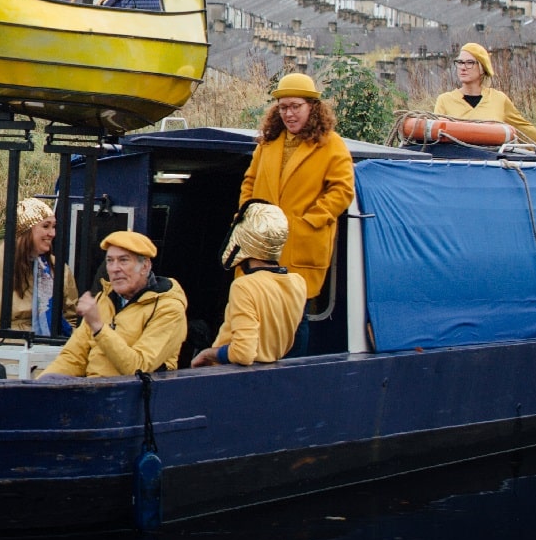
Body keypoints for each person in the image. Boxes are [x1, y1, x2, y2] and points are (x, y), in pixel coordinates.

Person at [238, 72, 354, 301]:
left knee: (295, 316)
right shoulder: (267, 144)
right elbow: (249, 183)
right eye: (282, 107)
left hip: (301, 242)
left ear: (312, 107)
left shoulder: (332, 144)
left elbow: (343, 190)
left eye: (295, 106)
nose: (288, 114)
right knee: (256, 311)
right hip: (261, 242)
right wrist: (246, 216)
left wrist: (311, 221)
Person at [40, 229, 187, 378]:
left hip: (136, 396)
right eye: (110, 261)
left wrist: (99, 328)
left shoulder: (168, 307)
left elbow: (140, 368)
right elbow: (73, 357)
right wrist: (40, 386)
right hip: (93, 391)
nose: (115, 268)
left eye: (124, 260)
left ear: (145, 266)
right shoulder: (102, 299)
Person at [194, 202, 305, 367]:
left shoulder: (244, 285)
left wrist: (207, 354)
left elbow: (243, 353)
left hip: (228, 377)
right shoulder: (298, 282)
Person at [0, 197, 80, 334]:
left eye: (54, 226)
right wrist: (9, 347)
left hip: (49, 349)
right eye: (45, 226)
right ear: (25, 230)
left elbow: (72, 320)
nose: (52, 233)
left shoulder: (59, 268)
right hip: (1, 350)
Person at [432, 41, 536, 152]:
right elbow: (435, 138)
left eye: (470, 63)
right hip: (458, 164)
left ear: (482, 68)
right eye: (460, 62)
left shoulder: (498, 99)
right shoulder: (444, 100)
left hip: (493, 163)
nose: (463, 67)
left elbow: (524, 129)